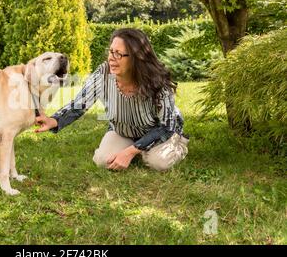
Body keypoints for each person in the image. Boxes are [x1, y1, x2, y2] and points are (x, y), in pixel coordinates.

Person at [35, 28, 189, 171]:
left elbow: (166, 126)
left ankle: (178, 143)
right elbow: (79, 104)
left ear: (137, 57)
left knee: (158, 163)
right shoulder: (104, 73)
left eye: (119, 54)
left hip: (160, 130)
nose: (112, 58)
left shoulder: (157, 81)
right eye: (111, 52)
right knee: (103, 161)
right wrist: (54, 120)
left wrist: (130, 152)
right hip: (123, 129)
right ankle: (137, 148)